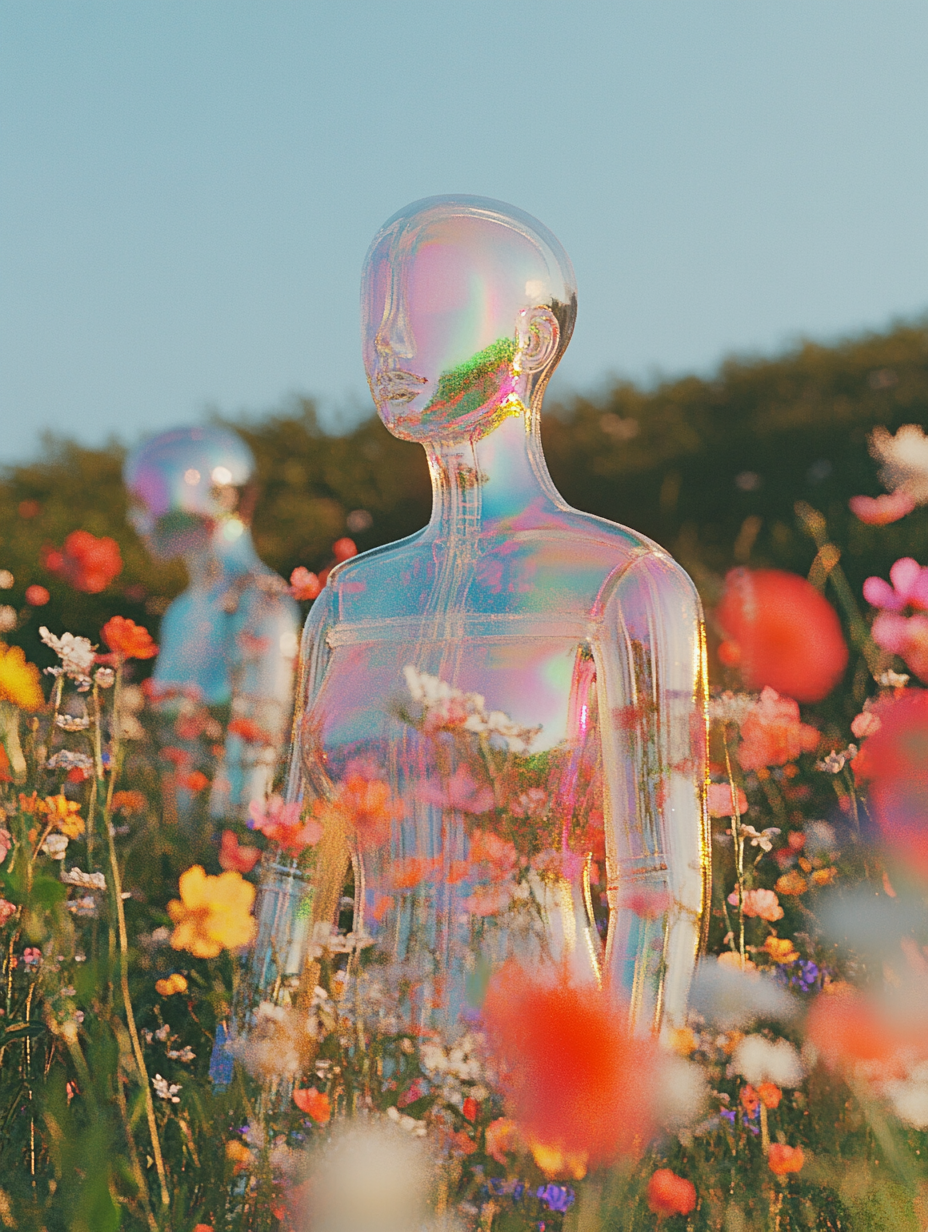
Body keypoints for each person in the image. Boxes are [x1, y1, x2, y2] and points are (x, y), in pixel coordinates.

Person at [272, 195, 709, 1035]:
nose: (386, 342)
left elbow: (659, 884)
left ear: (534, 339)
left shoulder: (622, 583)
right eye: (375, 315)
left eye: (427, 309)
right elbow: (297, 876)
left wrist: (615, 1120)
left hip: (538, 1070)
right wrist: (246, 1093)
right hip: (362, 1082)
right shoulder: (350, 602)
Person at [124, 426, 299, 825]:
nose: (135, 518)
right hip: (171, 840)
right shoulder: (181, 613)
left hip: (230, 840)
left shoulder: (261, 602)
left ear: (215, 495)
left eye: (144, 498)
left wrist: (234, 836)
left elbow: (260, 738)